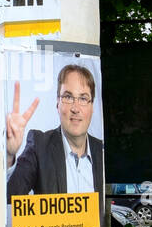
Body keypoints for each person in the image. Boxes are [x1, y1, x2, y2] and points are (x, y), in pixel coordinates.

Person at [6, 64, 104, 199]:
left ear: (92, 106)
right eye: (68, 97)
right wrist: (9, 155)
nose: (75, 108)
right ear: (58, 103)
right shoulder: (39, 146)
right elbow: (10, 199)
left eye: (83, 98)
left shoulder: (102, 151)